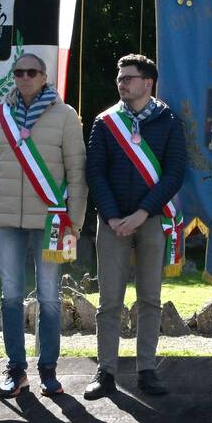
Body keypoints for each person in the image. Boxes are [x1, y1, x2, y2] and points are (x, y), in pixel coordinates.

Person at [0, 53, 87, 398]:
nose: (24, 77)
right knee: (10, 296)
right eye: (19, 72)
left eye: (31, 72)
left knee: (50, 298)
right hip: (5, 218)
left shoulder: (66, 116)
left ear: (44, 76)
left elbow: (77, 174)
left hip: (51, 220)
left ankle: (48, 368)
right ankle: (16, 369)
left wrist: (76, 223)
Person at [83, 53, 186, 400]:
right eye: (120, 78)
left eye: (129, 77)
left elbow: (175, 172)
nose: (122, 83)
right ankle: (106, 371)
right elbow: (94, 172)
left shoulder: (169, 120)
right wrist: (112, 216)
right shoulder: (105, 122)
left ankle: (146, 370)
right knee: (109, 301)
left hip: (151, 220)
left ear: (148, 83)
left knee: (149, 299)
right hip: (111, 222)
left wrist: (143, 212)